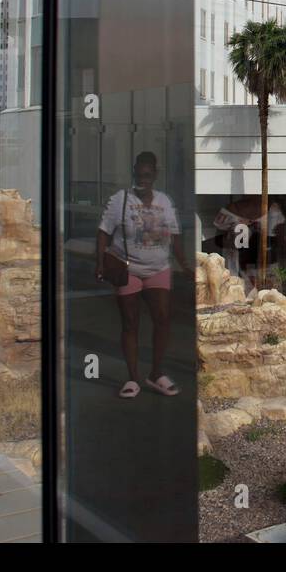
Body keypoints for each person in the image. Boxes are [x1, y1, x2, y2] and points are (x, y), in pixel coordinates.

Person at [96, 151, 187, 399]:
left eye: (147, 175)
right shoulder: (120, 200)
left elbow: (175, 236)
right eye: (139, 174)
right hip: (128, 269)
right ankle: (132, 378)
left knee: (163, 319)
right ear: (133, 173)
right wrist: (100, 263)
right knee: (130, 323)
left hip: (158, 269)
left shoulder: (164, 201)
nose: (142, 179)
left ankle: (156, 373)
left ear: (155, 175)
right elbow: (104, 232)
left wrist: (185, 265)